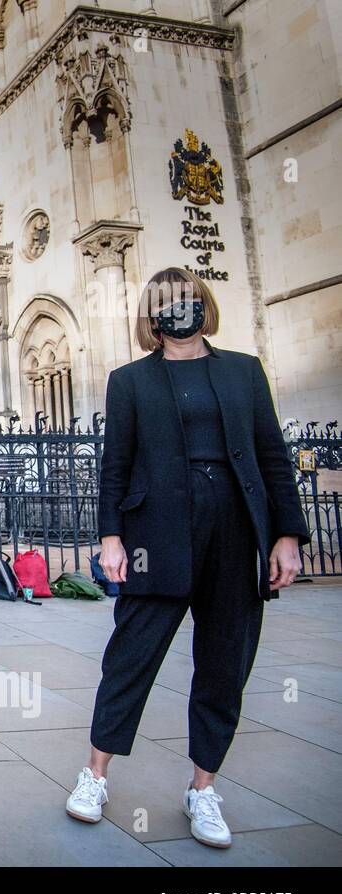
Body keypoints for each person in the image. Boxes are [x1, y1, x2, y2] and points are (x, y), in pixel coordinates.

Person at [64, 267, 308, 849]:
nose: (180, 311)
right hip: (156, 536)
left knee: (225, 664)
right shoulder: (129, 382)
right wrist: (110, 538)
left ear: (205, 305)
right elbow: (115, 466)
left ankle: (203, 789)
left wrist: (287, 535)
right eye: (168, 304)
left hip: (234, 531)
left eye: (189, 300)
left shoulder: (244, 372)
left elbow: (274, 456)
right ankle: (94, 776)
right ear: (151, 315)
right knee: (131, 657)